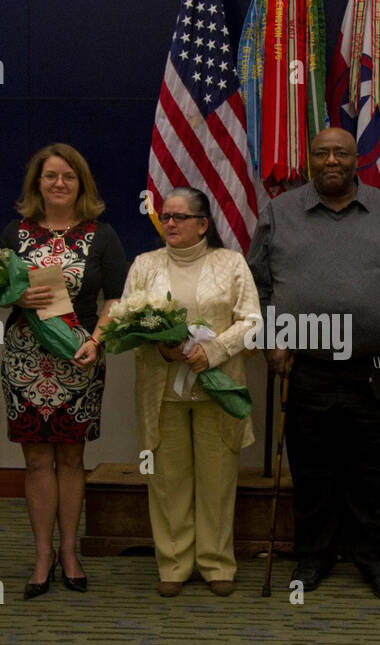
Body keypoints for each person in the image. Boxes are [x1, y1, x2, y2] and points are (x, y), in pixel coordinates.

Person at [248, 127, 380, 601]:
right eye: (322, 152)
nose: (331, 160)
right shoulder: (278, 213)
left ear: (357, 160)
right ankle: (314, 555)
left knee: (371, 472)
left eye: (341, 153)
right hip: (306, 365)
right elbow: (257, 288)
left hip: (373, 368)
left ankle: (373, 558)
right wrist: (272, 339)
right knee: (312, 471)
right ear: (309, 159)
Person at [0, 143, 128, 599]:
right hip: (25, 360)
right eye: (50, 176)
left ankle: (70, 551)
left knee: (71, 459)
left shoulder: (103, 235)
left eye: (68, 177)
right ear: (37, 184)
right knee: (36, 461)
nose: (59, 184)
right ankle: (41, 554)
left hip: (80, 356)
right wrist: (15, 298)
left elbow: (115, 298)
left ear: (81, 185)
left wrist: (98, 341)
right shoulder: (15, 233)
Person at [122, 187, 259, 598]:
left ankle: (217, 563)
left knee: (218, 480)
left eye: (180, 217)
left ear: (203, 224)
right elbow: (127, 318)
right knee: (166, 479)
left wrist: (214, 350)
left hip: (218, 389)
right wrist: (159, 345)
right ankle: (174, 563)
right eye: (166, 217)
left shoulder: (231, 262)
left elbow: (252, 320)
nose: (170, 224)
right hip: (162, 391)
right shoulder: (144, 264)